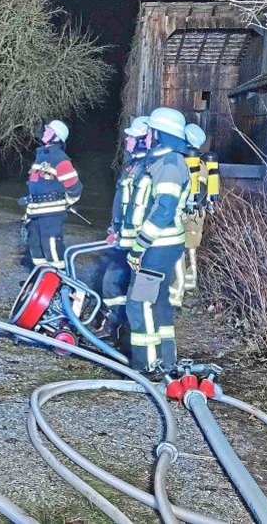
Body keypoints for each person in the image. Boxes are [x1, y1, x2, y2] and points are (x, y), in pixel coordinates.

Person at [123, 107, 191, 373]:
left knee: (140, 303)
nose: (147, 137)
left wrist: (139, 246)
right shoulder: (162, 162)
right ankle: (166, 359)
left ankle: (148, 366)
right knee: (159, 301)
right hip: (161, 246)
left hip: (157, 247)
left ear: (160, 134)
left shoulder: (170, 165)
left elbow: (163, 210)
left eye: (151, 131)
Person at [99, 116, 151, 341]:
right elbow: (120, 203)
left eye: (132, 137)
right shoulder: (130, 167)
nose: (127, 139)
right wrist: (114, 228)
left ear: (142, 141)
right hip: (123, 238)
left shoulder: (148, 168)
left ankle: (129, 333)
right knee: (110, 281)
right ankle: (113, 325)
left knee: (134, 290)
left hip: (138, 243)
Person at [20, 120, 83, 269]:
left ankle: (60, 285)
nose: (44, 131)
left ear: (56, 136)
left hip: (51, 216)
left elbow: (75, 188)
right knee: (36, 249)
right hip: (35, 213)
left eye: (48, 130)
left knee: (53, 250)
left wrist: (64, 203)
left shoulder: (61, 159)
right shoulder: (41, 156)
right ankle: (41, 282)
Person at [170, 123, 207, 307]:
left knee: (180, 252)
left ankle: (176, 296)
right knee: (191, 249)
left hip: (188, 214)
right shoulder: (202, 165)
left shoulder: (188, 164)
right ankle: (190, 283)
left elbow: (195, 192)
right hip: (197, 215)